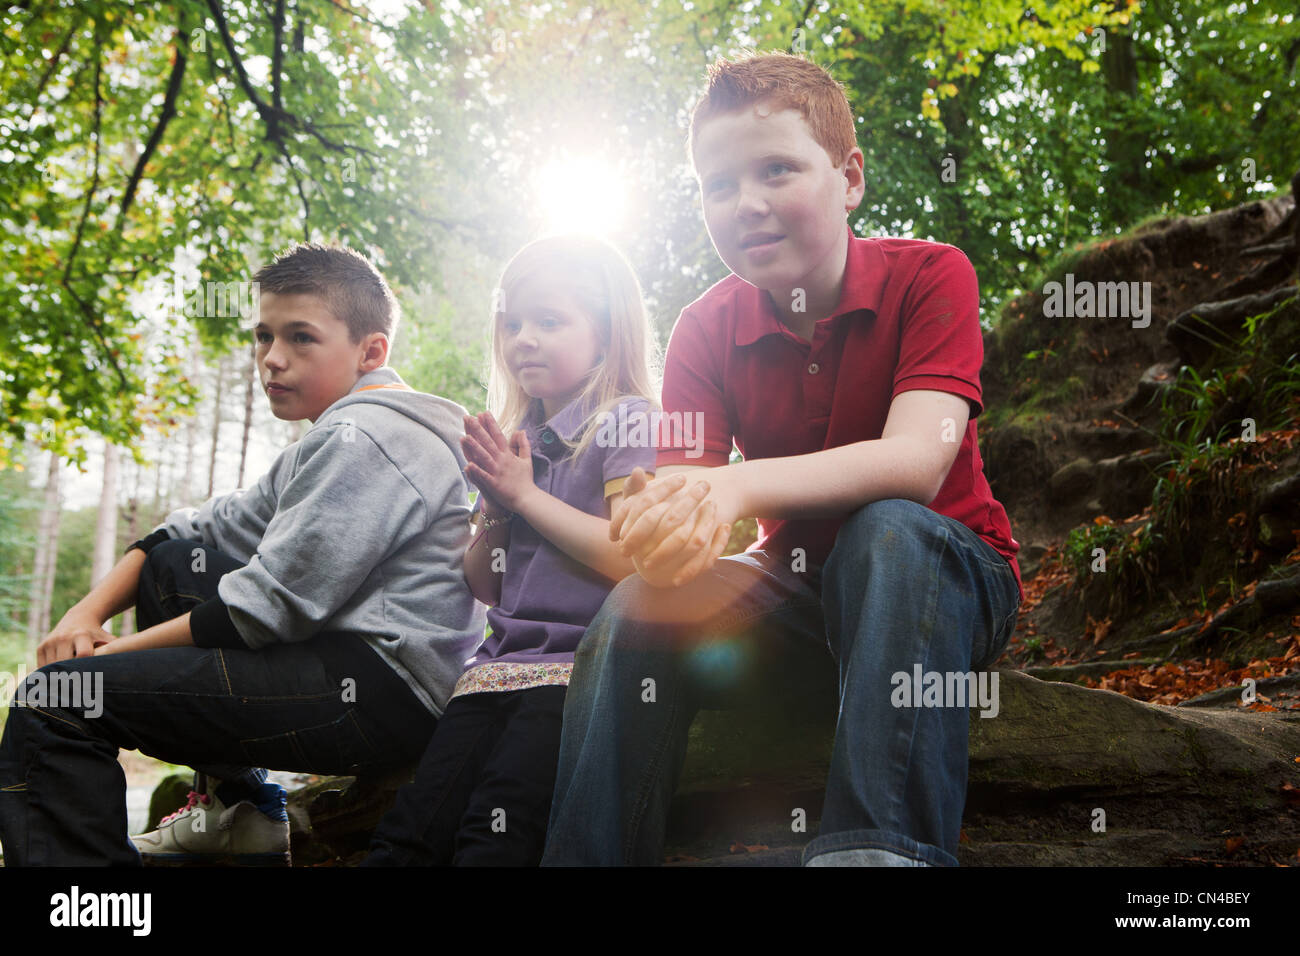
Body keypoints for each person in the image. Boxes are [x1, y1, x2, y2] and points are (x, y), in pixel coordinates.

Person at [541, 51, 1024, 867]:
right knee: (632, 608)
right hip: (796, 591)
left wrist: (726, 487)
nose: (746, 205)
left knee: (889, 530)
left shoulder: (933, 275)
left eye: (777, 170)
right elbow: (683, 497)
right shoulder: (704, 326)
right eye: (717, 185)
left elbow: (916, 462)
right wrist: (667, 533)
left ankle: (877, 851)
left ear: (850, 179)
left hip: (942, 581)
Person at [0, 243, 486, 866]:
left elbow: (260, 612)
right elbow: (190, 530)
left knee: (55, 701)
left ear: (371, 352)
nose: (271, 360)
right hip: (346, 670)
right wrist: (83, 615)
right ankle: (243, 806)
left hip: (379, 691)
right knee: (179, 567)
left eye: (301, 338)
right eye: (263, 336)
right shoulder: (333, 436)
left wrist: (99, 658)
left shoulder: (366, 437)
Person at [363, 234, 660, 866]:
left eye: (550, 321)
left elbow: (627, 556)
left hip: (572, 673)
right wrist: (495, 507)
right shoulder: (516, 438)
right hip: (490, 670)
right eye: (514, 322)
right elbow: (486, 584)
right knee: (411, 831)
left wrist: (523, 497)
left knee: (495, 837)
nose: (524, 338)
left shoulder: (627, 419)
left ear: (605, 336)